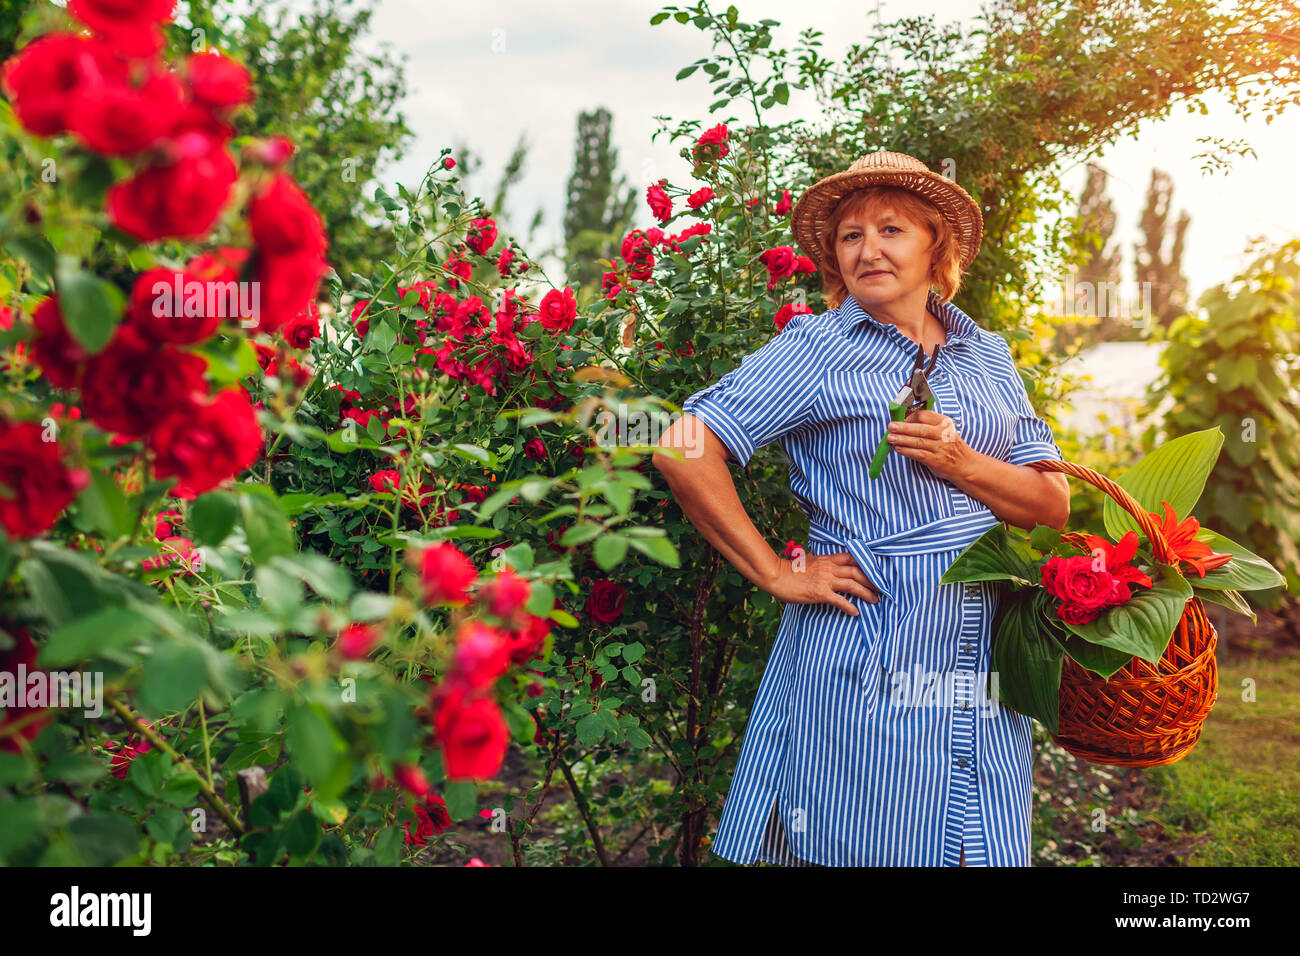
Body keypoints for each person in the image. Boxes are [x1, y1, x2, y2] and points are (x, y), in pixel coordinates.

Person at [652, 150, 1071, 867]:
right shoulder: (816, 349)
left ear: (935, 243)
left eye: (891, 230)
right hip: (869, 642)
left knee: (973, 840)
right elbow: (684, 447)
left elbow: (1051, 505)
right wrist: (780, 574)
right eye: (849, 236)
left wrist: (960, 461)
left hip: (981, 646)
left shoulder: (986, 354)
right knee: (868, 837)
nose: (868, 249)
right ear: (834, 257)